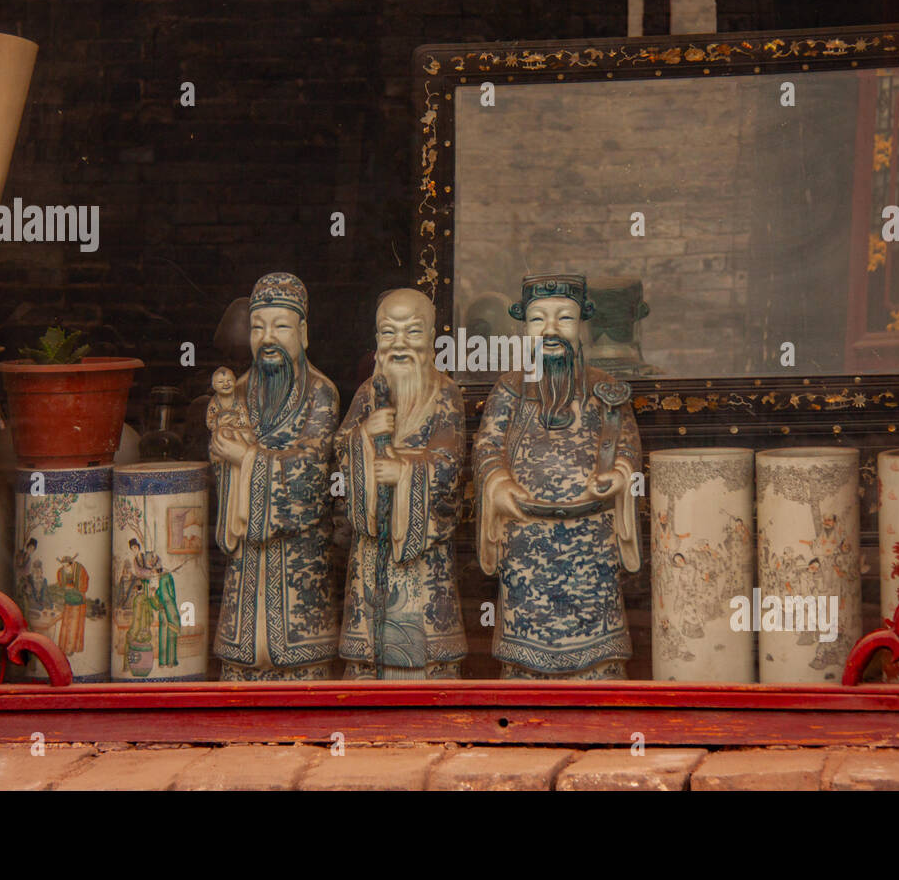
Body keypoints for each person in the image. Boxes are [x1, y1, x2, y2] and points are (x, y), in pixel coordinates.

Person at [473, 273, 642, 679]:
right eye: (538, 320)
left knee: (597, 664)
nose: (550, 330)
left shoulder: (606, 391)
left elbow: (628, 446)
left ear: (582, 325)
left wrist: (620, 474)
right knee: (525, 666)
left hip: (592, 542)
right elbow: (486, 446)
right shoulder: (509, 390)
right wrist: (498, 482)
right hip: (525, 540)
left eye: (564, 318)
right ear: (523, 329)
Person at [209, 272, 340, 680]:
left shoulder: (321, 393)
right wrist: (223, 451)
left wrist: (247, 458)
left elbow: (312, 470)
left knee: (305, 682)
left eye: (280, 326)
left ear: (303, 333)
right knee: (239, 681)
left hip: (301, 566)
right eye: (257, 328)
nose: (267, 338)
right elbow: (220, 463)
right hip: (246, 563)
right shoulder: (236, 393)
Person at [335, 289, 468, 679]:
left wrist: (404, 471)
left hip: (424, 556)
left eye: (412, 331)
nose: (399, 343)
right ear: (377, 339)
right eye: (389, 332)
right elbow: (340, 448)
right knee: (368, 649)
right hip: (372, 547)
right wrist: (364, 435)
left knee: (429, 652)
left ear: (432, 338)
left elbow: (450, 461)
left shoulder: (446, 394)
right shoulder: (367, 393)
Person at [55, 555, 89, 655]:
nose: (65, 567)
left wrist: (75, 588)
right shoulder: (61, 571)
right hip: (69, 600)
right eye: (63, 565)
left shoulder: (80, 570)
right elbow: (61, 583)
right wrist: (66, 587)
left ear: (71, 563)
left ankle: (72, 647)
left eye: (67, 565)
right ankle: (64, 646)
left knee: (75, 624)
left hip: (78, 601)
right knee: (66, 623)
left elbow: (84, 583)